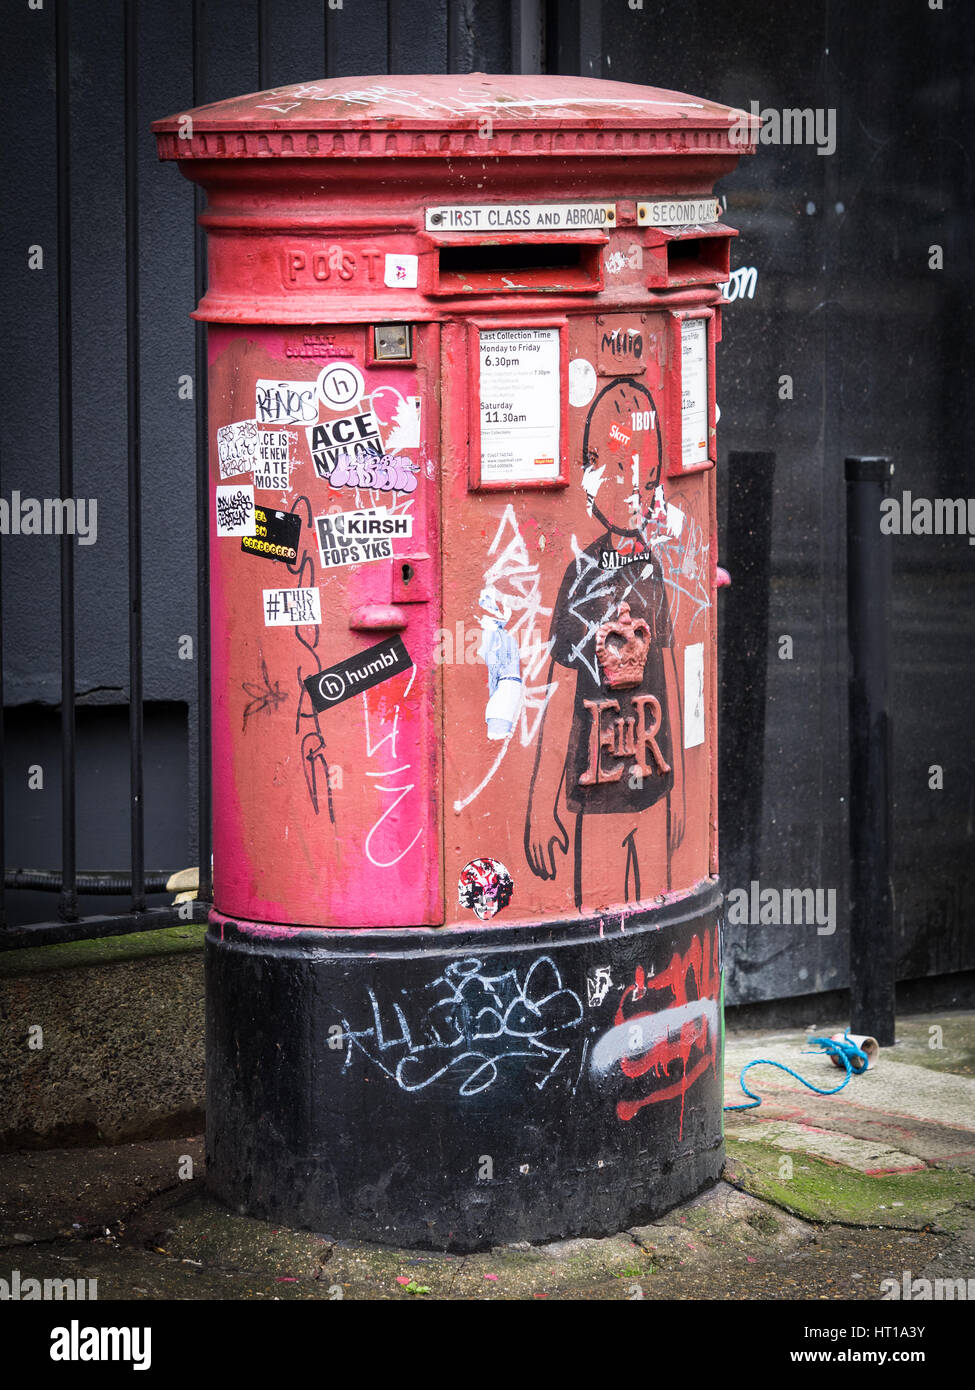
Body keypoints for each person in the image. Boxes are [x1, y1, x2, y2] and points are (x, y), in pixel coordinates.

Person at [524, 376, 685, 911]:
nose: (636, 484)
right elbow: (555, 691)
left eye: (647, 469)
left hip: (652, 780)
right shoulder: (580, 573)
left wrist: (681, 791)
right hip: (593, 792)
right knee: (598, 910)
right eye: (617, 469)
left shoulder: (656, 567)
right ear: (588, 476)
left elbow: (673, 674)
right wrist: (541, 807)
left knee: (657, 909)